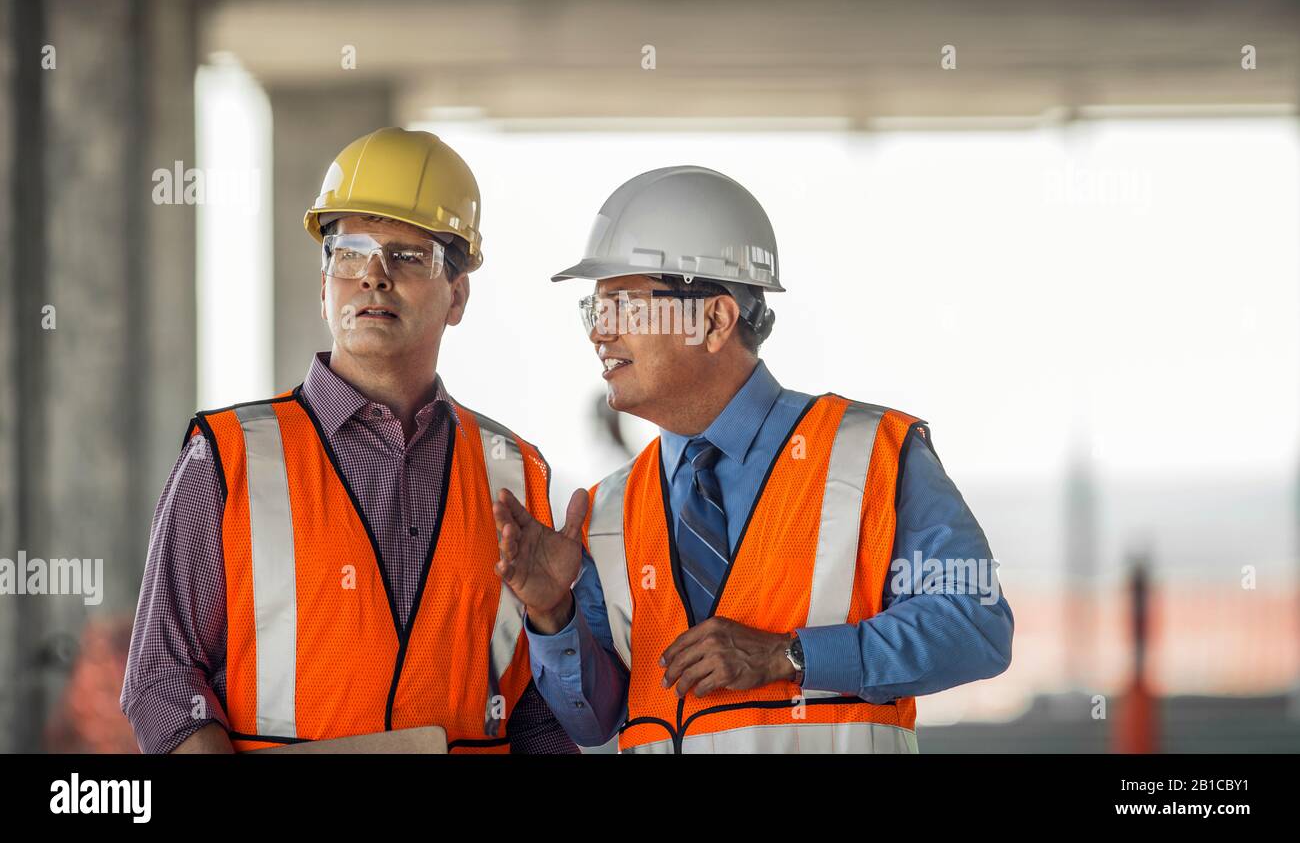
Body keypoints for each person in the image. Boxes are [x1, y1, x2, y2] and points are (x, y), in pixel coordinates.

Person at [493, 165, 1013, 752]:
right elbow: (597, 720)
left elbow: (977, 627)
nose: (599, 334)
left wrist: (791, 655)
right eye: (596, 310)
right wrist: (552, 612)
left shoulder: (873, 454)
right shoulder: (609, 510)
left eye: (626, 308)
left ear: (715, 319)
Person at [121, 127, 575, 753]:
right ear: (324, 283)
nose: (373, 277)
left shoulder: (515, 474)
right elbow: (162, 681)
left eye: (407, 256)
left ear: (458, 296)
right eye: (350, 252)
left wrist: (562, 621)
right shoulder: (227, 457)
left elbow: (535, 716)